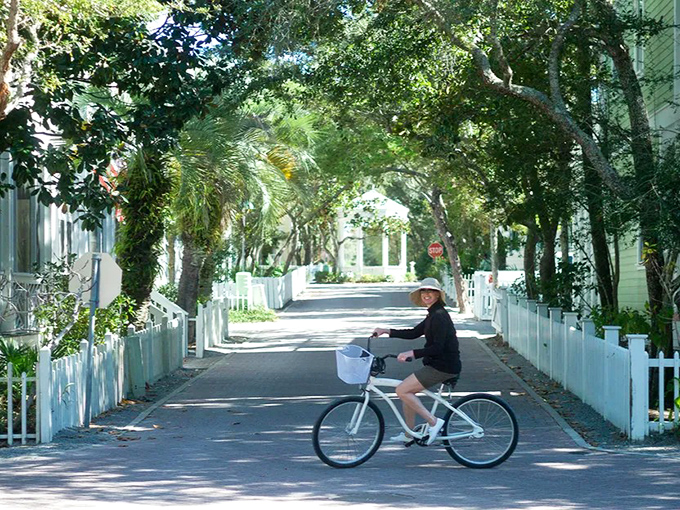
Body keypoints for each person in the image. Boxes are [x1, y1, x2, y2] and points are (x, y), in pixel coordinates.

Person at [372, 277, 460, 446]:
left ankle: (434, 423)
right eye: (424, 292)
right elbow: (413, 333)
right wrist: (386, 331)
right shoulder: (433, 314)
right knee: (407, 391)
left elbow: (438, 348)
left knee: (402, 390)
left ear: (437, 295)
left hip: (443, 366)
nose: (426, 294)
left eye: (431, 291)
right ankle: (409, 434)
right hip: (438, 364)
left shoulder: (439, 316)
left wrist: (413, 353)